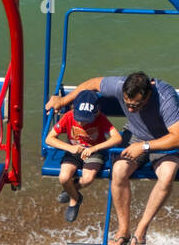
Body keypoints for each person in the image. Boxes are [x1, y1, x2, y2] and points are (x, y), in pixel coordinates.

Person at [47, 72, 179, 245]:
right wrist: (63, 101)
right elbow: (93, 82)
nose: (129, 110)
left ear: (148, 95)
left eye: (135, 105)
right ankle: (124, 230)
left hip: (164, 140)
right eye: (127, 104)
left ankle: (142, 228)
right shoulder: (120, 85)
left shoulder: (165, 97)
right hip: (135, 136)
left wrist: (145, 146)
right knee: (119, 171)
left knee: (167, 176)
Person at [44, 89, 122, 222]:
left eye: (86, 120)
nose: (82, 123)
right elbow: (49, 139)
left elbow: (117, 138)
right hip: (73, 150)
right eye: (79, 119)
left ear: (96, 112)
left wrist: (94, 148)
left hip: (93, 152)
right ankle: (76, 197)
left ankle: (72, 194)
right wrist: (70, 148)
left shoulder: (101, 119)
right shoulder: (68, 116)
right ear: (74, 110)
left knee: (87, 178)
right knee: (63, 177)